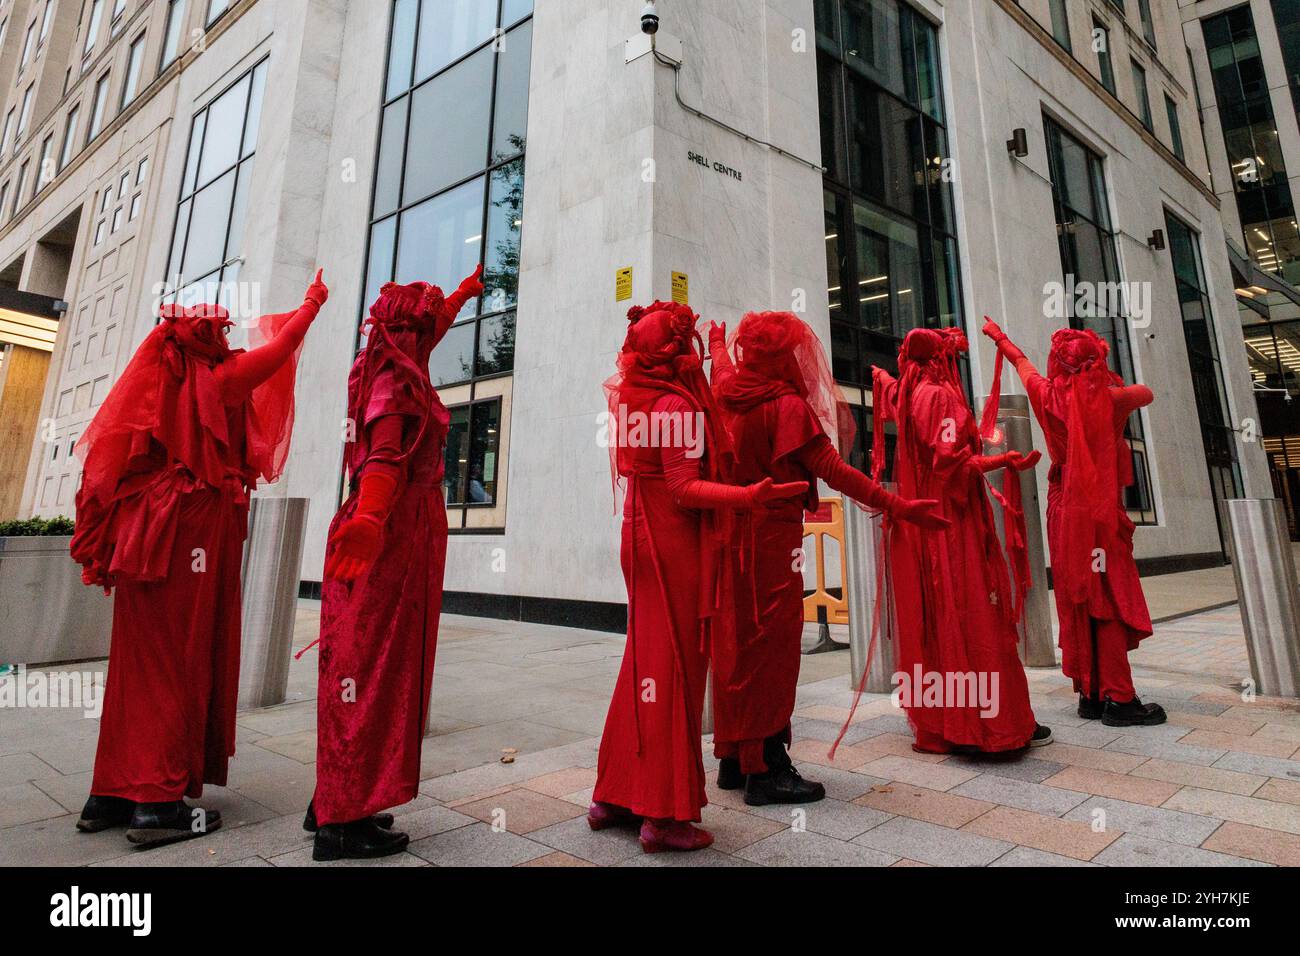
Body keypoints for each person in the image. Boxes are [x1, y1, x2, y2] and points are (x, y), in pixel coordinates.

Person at [71, 271, 329, 847]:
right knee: (179, 660)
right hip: (190, 526)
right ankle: (156, 805)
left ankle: (110, 793)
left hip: (144, 529)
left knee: (137, 664)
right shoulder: (219, 382)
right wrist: (314, 302)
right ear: (208, 343)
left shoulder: (162, 388)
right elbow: (283, 348)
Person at [590, 301, 808, 853]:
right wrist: (748, 495)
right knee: (676, 670)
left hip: (640, 532)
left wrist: (715, 350)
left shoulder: (637, 394)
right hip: (672, 540)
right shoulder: (675, 404)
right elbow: (686, 487)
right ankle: (662, 815)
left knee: (643, 663)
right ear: (677, 350)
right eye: (687, 343)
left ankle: (615, 794)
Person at [707, 312, 949, 804]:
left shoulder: (727, 391)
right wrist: (897, 505)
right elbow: (835, 471)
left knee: (736, 647)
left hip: (729, 540)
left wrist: (713, 342)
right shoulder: (786, 406)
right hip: (773, 543)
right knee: (771, 654)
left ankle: (735, 758)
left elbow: (719, 366)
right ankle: (768, 768)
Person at [308, 266, 485, 862]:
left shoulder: (380, 364)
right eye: (427, 321)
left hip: (384, 530)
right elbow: (384, 457)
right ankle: (341, 820)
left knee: (358, 665)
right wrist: (372, 522)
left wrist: (462, 294)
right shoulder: (397, 383)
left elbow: (428, 329)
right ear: (410, 332)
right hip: (389, 537)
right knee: (374, 667)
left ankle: (337, 796)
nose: (433, 329)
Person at [868, 327, 1051, 755]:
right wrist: (999, 459)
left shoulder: (911, 393)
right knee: (973, 614)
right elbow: (952, 463)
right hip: (955, 523)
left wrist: (882, 377)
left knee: (940, 617)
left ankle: (948, 720)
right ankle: (987, 726)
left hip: (927, 521)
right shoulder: (939, 395)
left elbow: (896, 398)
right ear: (941, 359)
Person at [983, 320, 1165, 727]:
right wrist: (1103, 381)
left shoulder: (1045, 395)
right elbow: (1148, 392)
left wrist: (1000, 338)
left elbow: (1022, 364)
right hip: (1099, 510)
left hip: (1063, 507)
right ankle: (1120, 697)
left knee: (1078, 595)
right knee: (1109, 599)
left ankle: (1090, 692)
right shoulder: (1115, 401)